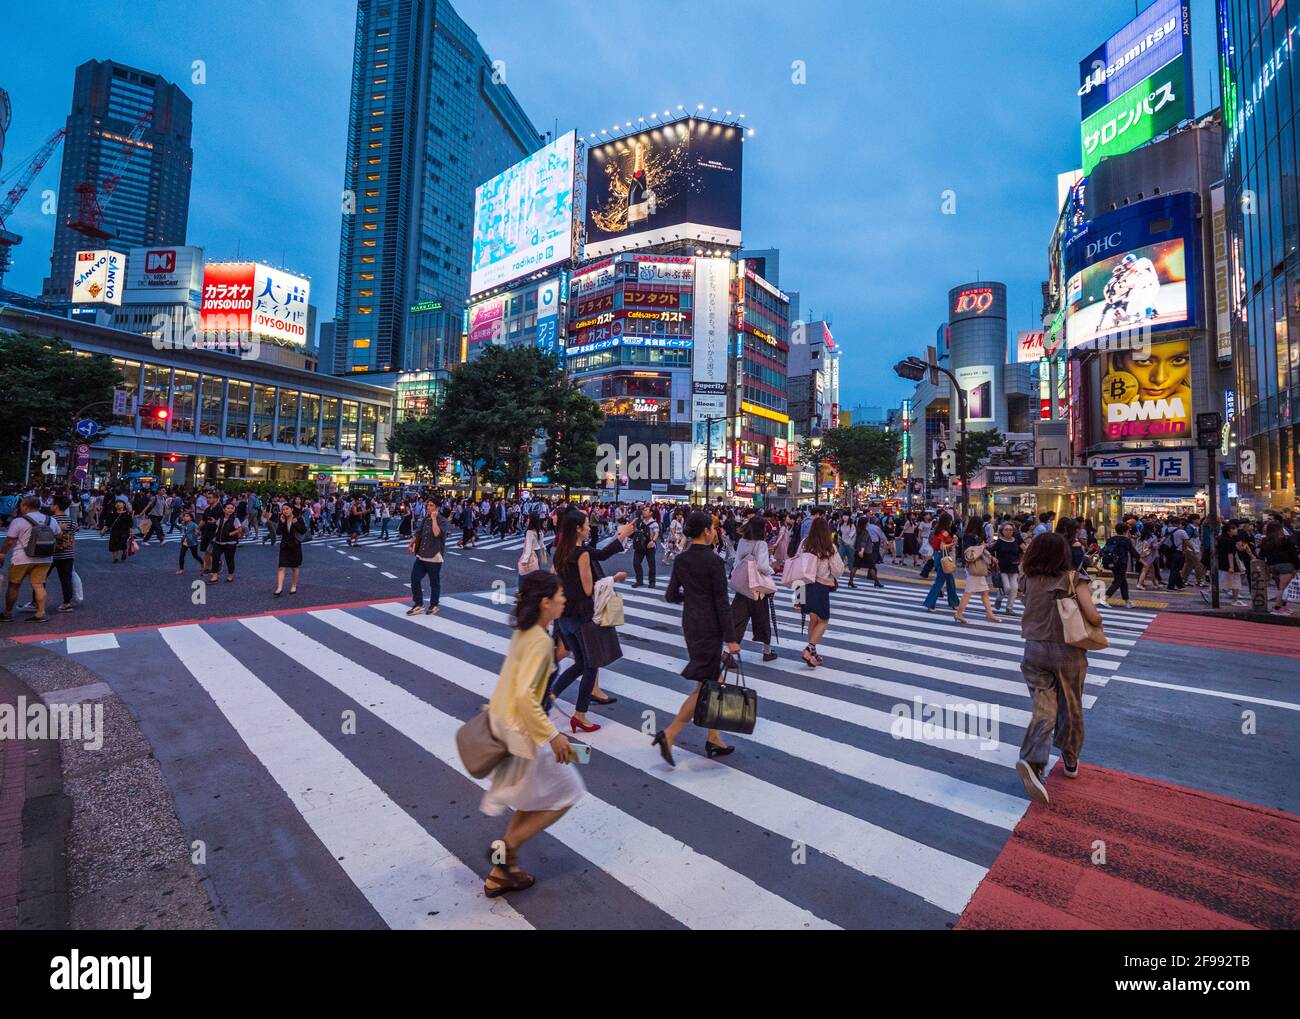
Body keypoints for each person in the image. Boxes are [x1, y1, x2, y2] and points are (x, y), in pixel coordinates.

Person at [480, 571, 583, 898]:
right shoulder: (539, 640)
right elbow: (526, 696)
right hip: (523, 732)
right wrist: (554, 735)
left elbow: (520, 684)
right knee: (568, 792)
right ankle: (506, 848)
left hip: (505, 726)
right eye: (560, 595)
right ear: (545, 602)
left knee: (531, 799)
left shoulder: (527, 632)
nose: (564, 599)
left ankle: (500, 873)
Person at [1015, 533, 1103, 806]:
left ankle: (1033, 761)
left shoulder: (1027, 578)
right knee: (1071, 705)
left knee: (1044, 707)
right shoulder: (1074, 579)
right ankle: (1070, 757)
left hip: (1034, 649)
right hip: (1067, 651)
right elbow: (1093, 615)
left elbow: (1026, 605)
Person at [654, 511, 742, 765]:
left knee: (713, 680)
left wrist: (693, 599)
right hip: (710, 626)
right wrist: (731, 638)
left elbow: (671, 595)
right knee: (706, 684)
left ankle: (714, 736)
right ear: (706, 531)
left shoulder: (682, 560)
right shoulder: (714, 562)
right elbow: (722, 603)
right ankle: (669, 734)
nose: (716, 532)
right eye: (713, 528)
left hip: (691, 622)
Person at [549, 511, 630, 732]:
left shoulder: (560, 551)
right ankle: (580, 714)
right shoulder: (582, 554)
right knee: (591, 665)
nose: (589, 528)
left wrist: (621, 536)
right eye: (586, 525)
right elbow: (588, 589)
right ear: (577, 528)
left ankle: (549, 697)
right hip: (583, 618)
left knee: (580, 664)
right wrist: (613, 579)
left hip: (564, 617)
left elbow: (601, 554)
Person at [0, 495, 61, 623]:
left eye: (21, 505)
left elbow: (10, 540)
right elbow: (58, 534)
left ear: (25, 507)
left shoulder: (19, 521)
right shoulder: (51, 520)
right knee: (38, 585)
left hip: (21, 559)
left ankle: (7, 613)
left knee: (14, 586)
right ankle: (40, 613)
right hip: (44, 558)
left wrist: (3, 554)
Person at [796, 515, 845, 668]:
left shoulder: (805, 543)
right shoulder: (828, 546)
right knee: (823, 620)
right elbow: (838, 570)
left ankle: (813, 653)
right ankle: (809, 648)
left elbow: (797, 564)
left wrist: (797, 596)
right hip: (820, 586)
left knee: (813, 619)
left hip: (804, 585)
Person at [730, 514, 777, 662]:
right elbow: (763, 566)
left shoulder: (743, 541)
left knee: (738, 620)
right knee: (762, 619)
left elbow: (737, 561)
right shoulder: (761, 544)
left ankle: (728, 654)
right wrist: (771, 571)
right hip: (756, 588)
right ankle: (766, 651)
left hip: (743, 586)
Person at [955, 517, 999, 624]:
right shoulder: (972, 536)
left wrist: (983, 546)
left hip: (975, 565)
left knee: (984, 592)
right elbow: (970, 552)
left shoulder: (970, 535)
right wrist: (983, 546)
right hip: (974, 566)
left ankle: (990, 613)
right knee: (969, 592)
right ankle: (959, 613)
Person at [408, 497, 445, 615]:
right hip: (422, 555)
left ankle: (434, 605)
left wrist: (434, 519)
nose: (428, 508)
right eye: (427, 505)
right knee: (415, 578)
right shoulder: (425, 519)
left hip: (434, 556)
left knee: (434, 582)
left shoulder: (442, 520)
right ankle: (418, 604)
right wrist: (411, 544)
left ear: (437, 508)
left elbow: (436, 533)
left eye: (431, 505)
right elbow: (419, 533)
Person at [922, 512, 960, 612]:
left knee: (949, 581)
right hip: (943, 556)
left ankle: (954, 603)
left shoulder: (937, 530)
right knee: (940, 582)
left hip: (938, 556)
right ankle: (930, 603)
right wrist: (952, 543)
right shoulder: (945, 532)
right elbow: (942, 546)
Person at [50, 494, 77, 613]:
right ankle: (67, 603)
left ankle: (36, 602)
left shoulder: (50, 520)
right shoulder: (71, 521)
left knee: (40, 578)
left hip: (50, 554)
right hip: (67, 554)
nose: (50, 505)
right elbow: (73, 537)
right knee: (66, 579)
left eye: (52, 504)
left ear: (56, 506)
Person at [273, 503, 307, 596]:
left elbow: (303, 530)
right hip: (284, 546)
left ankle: (294, 585)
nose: (285, 511)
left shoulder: (298, 518)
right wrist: (282, 523)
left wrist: (295, 523)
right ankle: (279, 588)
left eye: (287, 509)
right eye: (283, 509)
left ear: (291, 509)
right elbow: (278, 532)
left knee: (294, 567)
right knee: (281, 567)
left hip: (295, 546)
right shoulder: (282, 519)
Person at [1102, 523, 1138, 607]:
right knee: (1118, 582)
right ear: (1125, 531)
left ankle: (1127, 601)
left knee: (1123, 582)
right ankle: (1105, 598)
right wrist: (1142, 560)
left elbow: (1104, 549)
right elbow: (1133, 552)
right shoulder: (1126, 540)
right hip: (1121, 563)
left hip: (1112, 563)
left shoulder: (1111, 539)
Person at [1217, 521, 1252, 607]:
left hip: (1222, 562)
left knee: (1223, 580)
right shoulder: (1230, 541)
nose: (1236, 530)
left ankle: (1235, 599)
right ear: (1228, 531)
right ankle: (1235, 600)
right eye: (1233, 529)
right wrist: (1232, 566)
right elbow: (1230, 554)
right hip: (1229, 563)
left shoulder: (1220, 539)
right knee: (1234, 580)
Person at [992, 521, 1023, 614]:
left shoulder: (1016, 541)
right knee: (1007, 588)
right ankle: (999, 598)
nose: (1009, 531)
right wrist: (993, 558)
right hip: (1002, 567)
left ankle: (1009, 608)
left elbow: (1021, 551)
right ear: (1002, 531)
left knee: (1014, 588)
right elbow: (991, 551)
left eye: (1011, 530)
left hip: (1014, 567)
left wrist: (1020, 561)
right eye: (1006, 530)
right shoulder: (999, 541)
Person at [209, 502, 244, 583]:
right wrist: (215, 537)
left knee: (229, 559)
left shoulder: (235, 519)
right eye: (228, 508)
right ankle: (215, 575)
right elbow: (218, 528)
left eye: (232, 508)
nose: (230, 510)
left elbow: (239, 529)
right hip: (218, 542)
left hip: (230, 543)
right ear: (224, 510)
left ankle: (230, 575)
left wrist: (229, 534)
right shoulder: (220, 518)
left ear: (234, 509)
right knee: (215, 558)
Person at [631, 504, 660, 589]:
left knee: (651, 564)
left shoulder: (654, 523)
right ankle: (639, 581)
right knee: (636, 563)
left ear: (651, 513)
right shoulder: (640, 521)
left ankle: (652, 582)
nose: (643, 511)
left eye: (646, 510)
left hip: (649, 546)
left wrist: (653, 541)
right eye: (643, 510)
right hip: (640, 545)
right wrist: (634, 524)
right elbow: (636, 531)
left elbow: (656, 533)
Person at [103, 498, 133, 564]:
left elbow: (130, 524)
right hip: (114, 531)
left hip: (124, 532)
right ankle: (115, 558)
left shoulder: (127, 513)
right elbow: (108, 522)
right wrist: (104, 529)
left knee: (122, 543)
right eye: (116, 503)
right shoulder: (112, 513)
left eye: (120, 503)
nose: (118, 504)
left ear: (124, 505)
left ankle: (124, 552)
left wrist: (131, 532)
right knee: (114, 544)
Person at [176, 511, 203, 575]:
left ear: (191, 518)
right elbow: (182, 531)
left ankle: (202, 563)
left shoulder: (193, 524)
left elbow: (199, 532)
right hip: (185, 542)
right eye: (184, 516)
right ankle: (181, 569)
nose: (185, 517)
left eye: (187, 516)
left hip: (192, 542)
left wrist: (198, 534)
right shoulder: (183, 524)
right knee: (181, 555)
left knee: (195, 556)